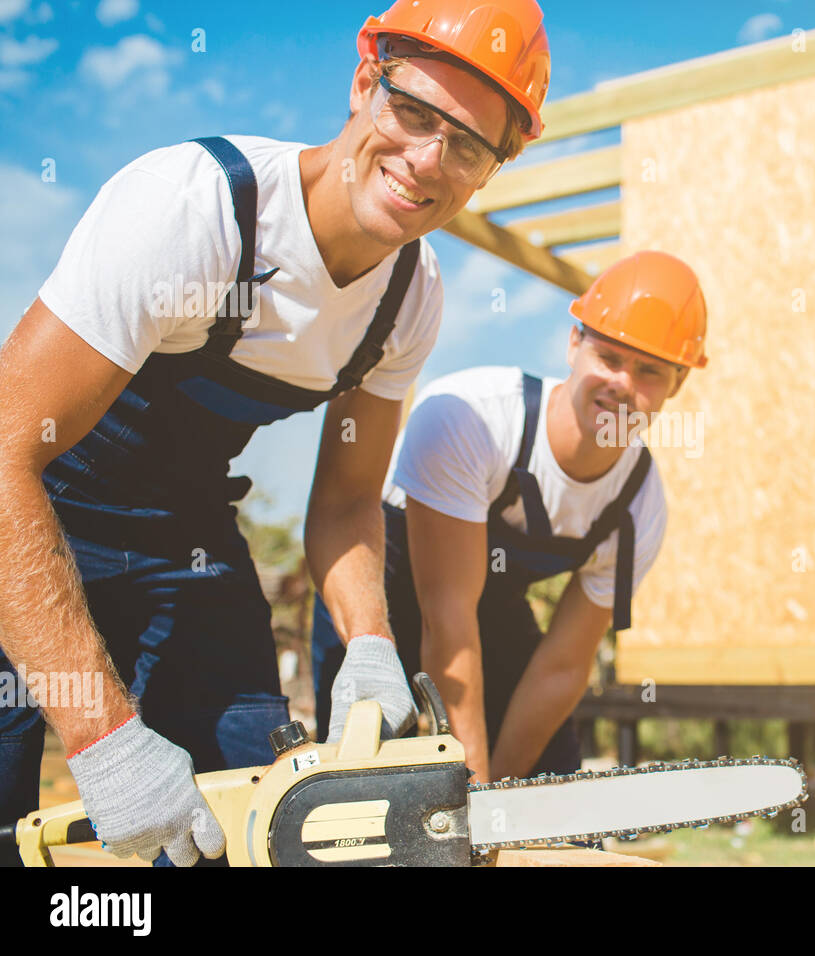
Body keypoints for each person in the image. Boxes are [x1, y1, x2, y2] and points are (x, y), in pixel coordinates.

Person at [0, 0, 550, 867]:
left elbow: (345, 500)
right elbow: (2, 457)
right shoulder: (195, 211)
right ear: (365, 82)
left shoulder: (410, 297)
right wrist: (103, 737)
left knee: (265, 806)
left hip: (187, 535)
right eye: (413, 112)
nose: (427, 160)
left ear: (492, 168)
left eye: (470, 145)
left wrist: (369, 641)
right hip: (34, 514)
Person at [312, 251, 708, 784]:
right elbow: (446, 619)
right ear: (574, 344)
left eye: (650, 371)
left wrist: (505, 798)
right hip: (384, 598)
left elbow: (563, 665)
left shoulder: (639, 506)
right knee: (366, 792)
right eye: (610, 357)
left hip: (490, 611)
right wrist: (472, 786)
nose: (622, 383)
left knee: (548, 787)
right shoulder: (470, 418)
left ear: (677, 385)